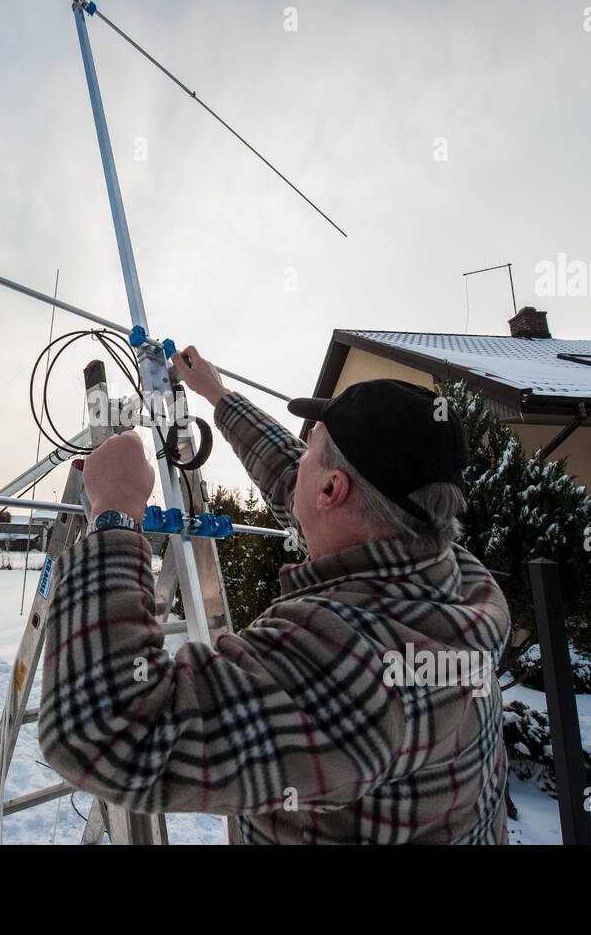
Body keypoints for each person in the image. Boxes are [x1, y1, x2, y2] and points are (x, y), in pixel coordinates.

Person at [37, 345, 511, 844]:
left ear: (332, 490)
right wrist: (218, 397)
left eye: (311, 450)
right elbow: (296, 483)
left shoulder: (359, 662)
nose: (298, 460)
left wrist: (114, 513)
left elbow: (103, 730)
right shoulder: (449, 570)